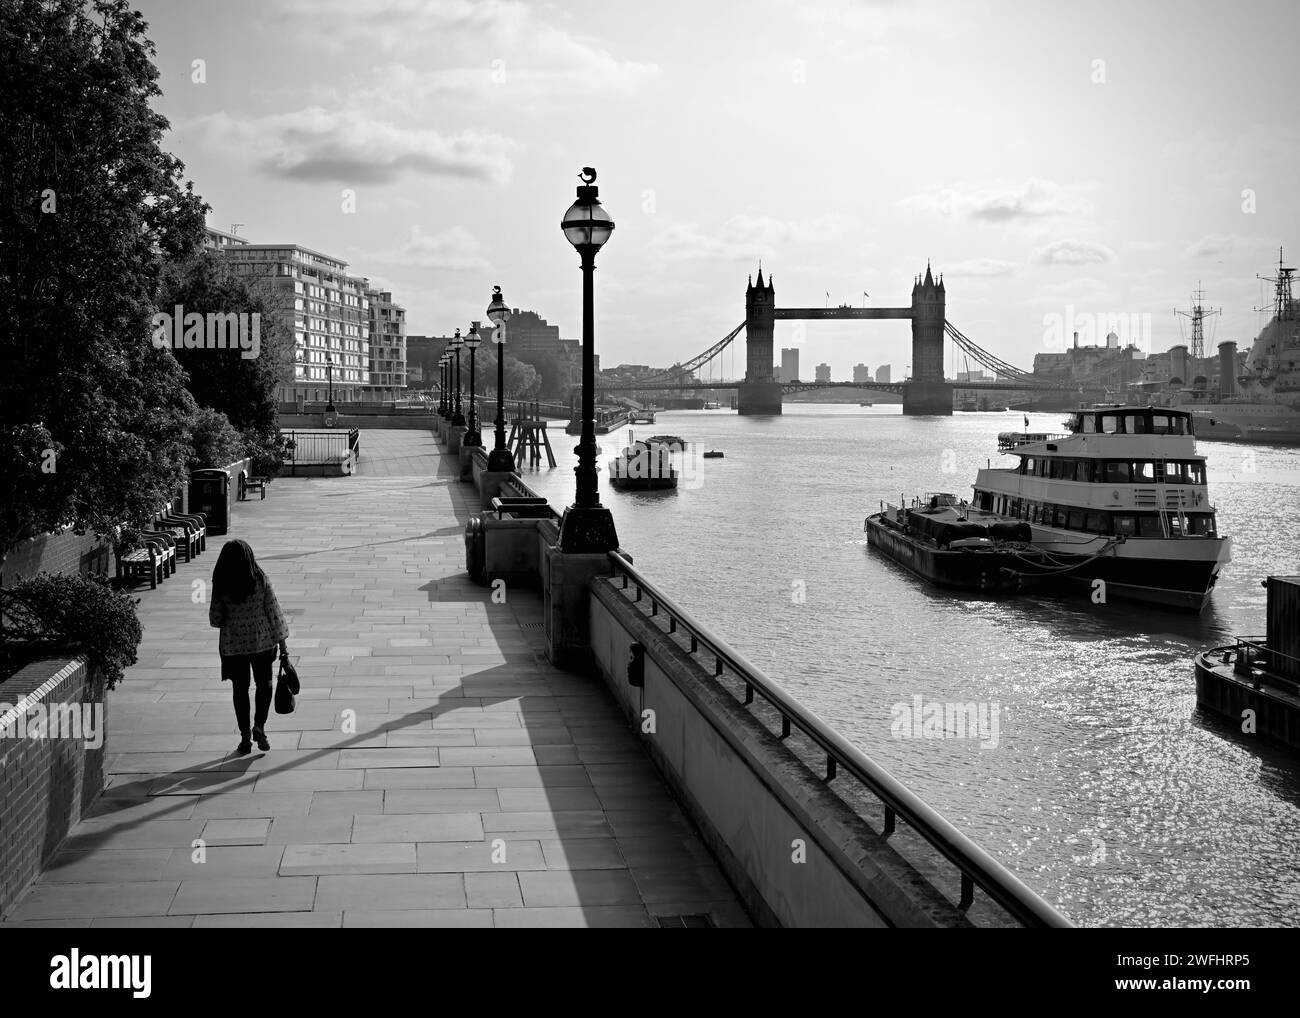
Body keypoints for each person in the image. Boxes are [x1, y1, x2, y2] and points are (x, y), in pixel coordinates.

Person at [209, 539, 289, 755]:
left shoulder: (222, 584)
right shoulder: (260, 579)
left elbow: (215, 619)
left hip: (233, 645)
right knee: (264, 684)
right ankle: (259, 726)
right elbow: (274, 612)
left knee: (240, 689)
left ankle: (245, 737)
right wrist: (283, 646)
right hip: (261, 641)